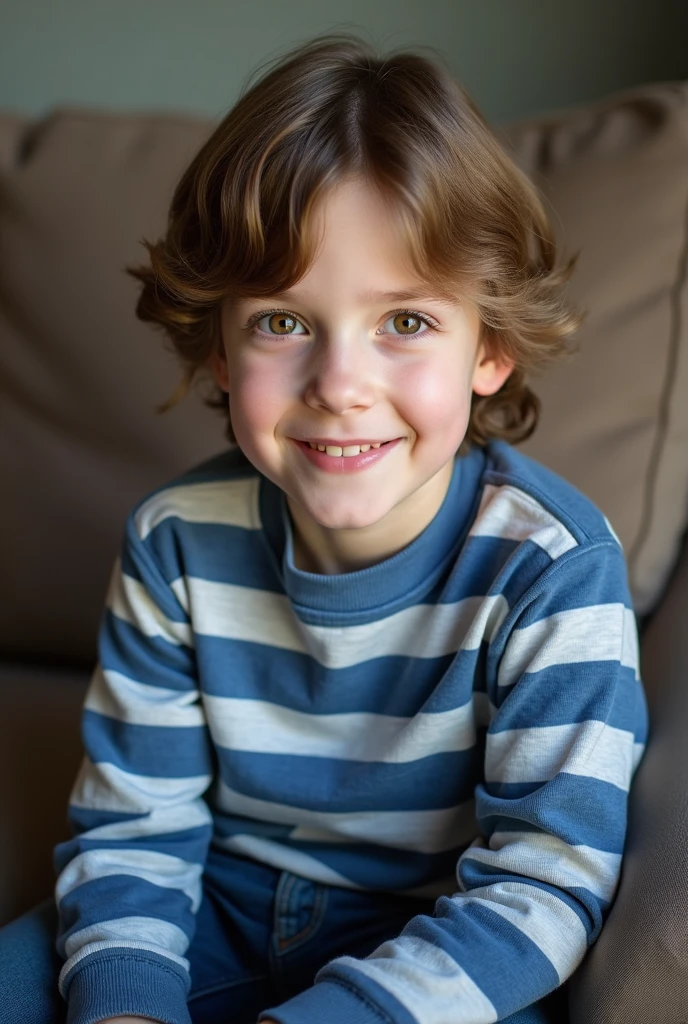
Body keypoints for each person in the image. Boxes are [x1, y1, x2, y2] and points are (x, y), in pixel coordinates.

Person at [0, 30, 649, 1024]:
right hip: (211, 906)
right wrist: (126, 1009)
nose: (341, 386)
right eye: (284, 322)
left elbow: (541, 884)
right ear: (218, 348)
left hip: (432, 938)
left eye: (407, 322)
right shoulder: (176, 543)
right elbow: (134, 835)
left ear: (493, 348)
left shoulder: (550, 568)